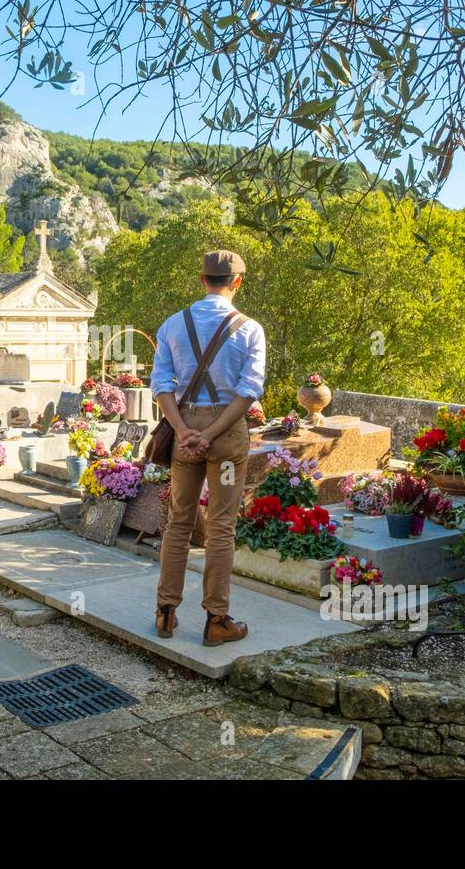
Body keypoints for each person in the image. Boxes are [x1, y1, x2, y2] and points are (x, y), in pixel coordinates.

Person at [149, 250, 266, 646]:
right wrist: (212, 432)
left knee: (178, 522)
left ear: (202, 280)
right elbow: (249, 392)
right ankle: (217, 620)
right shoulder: (250, 329)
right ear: (238, 282)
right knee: (220, 527)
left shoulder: (172, 325)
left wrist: (184, 431)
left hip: (184, 431)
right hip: (227, 435)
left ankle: (166, 613)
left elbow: (161, 386)